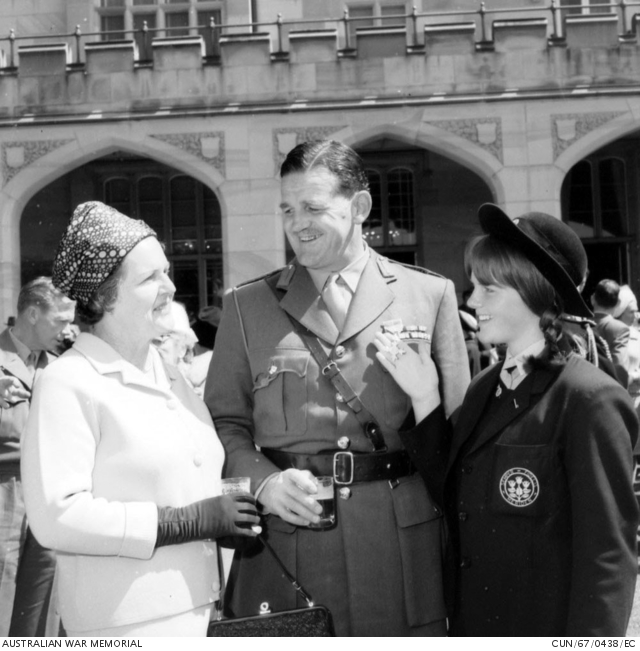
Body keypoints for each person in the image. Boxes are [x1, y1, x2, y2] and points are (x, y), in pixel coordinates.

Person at [206, 140, 470, 636]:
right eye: (287, 208)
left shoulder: (428, 296)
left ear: (360, 207)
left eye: (312, 207)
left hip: (400, 545)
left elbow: (457, 437)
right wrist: (265, 482)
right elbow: (225, 424)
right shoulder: (246, 307)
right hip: (295, 547)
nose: (296, 223)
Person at [375, 204, 639, 636]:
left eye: (489, 289)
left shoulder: (588, 397)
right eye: (473, 286)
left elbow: (608, 555)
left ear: (535, 293)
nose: (472, 300)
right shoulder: (484, 386)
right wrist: (424, 395)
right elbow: (452, 492)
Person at [21, 202, 260, 637]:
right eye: (150, 278)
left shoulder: (171, 375)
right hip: (125, 624)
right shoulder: (67, 381)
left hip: (207, 609)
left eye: (166, 271)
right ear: (101, 297)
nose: (170, 286)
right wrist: (187, 521)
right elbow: (56, 516)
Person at [0, 277, 75, 637]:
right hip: (6, 490)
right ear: (32, 314)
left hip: (47, 491)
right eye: (59, 320)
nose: (68, 328)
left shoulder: (60, 366)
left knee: (43, 596)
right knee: (4, 583)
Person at [592, 279, 631, 388]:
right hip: (609, 391)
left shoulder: (579, 324)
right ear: (618, 303)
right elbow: (620, 369)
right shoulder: (619, 328)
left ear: (592, 299)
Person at [613, 284, 640, 415]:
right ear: (621, 311)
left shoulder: (637, 335)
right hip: (618, 399)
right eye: (631, 311)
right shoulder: (611, 333)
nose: (636, 316)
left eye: (636, 311)